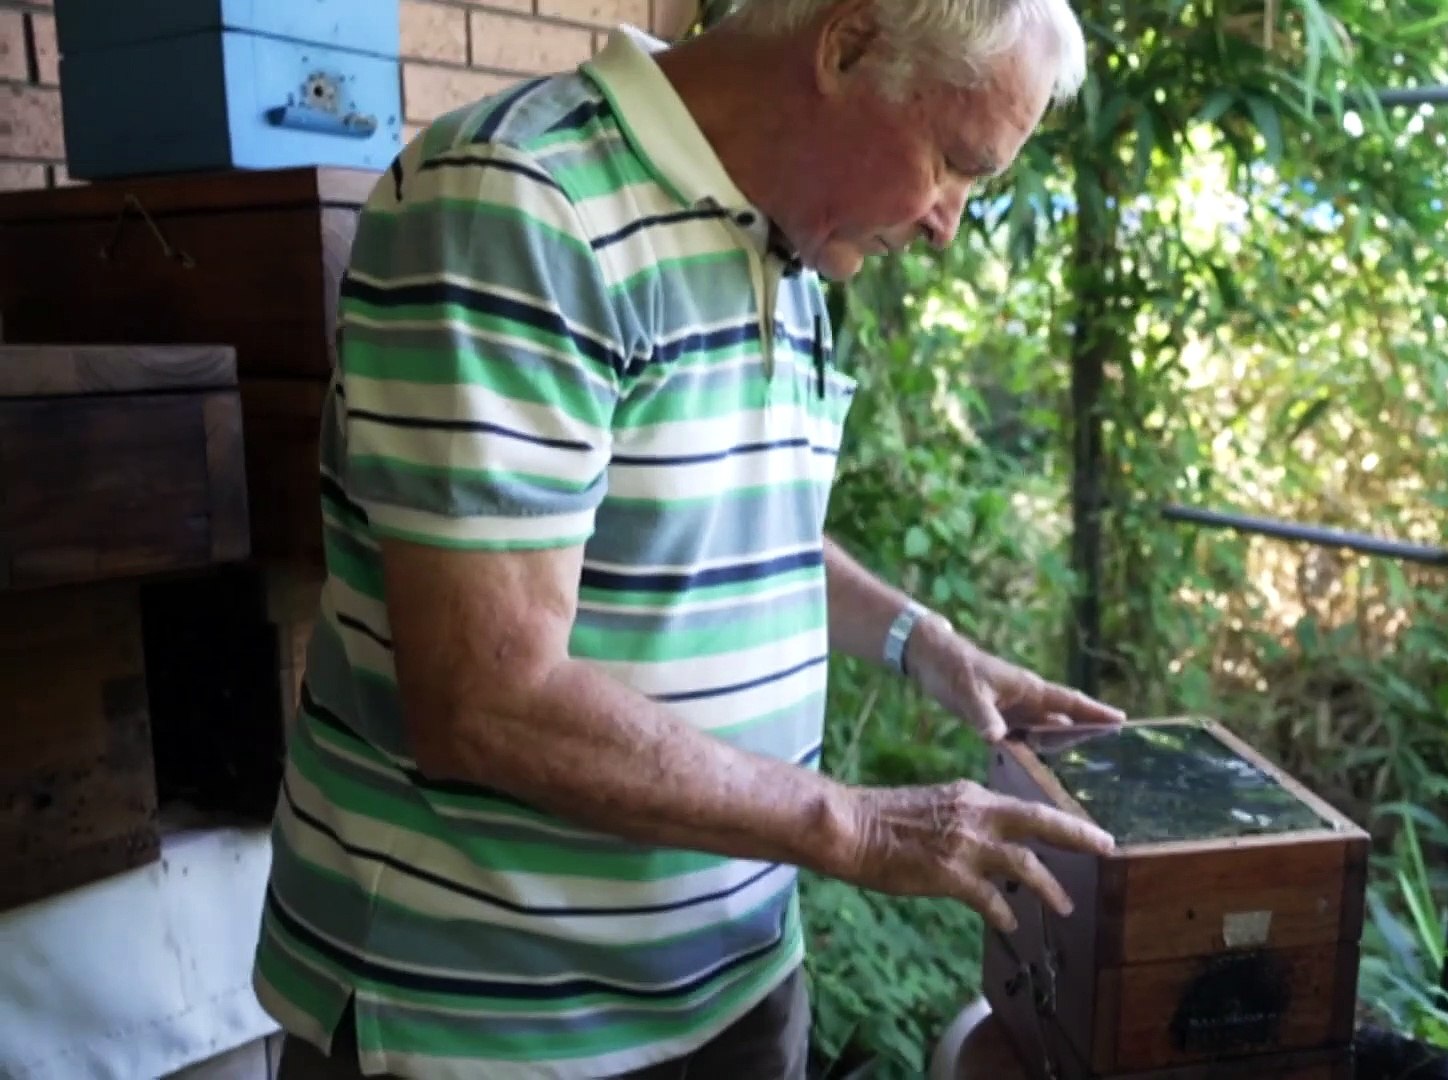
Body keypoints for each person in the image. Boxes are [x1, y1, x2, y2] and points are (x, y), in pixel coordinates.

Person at [256, 1, 1124, 1077]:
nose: (949, 223)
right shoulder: (520, 200)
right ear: (848, 46)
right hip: (490, 1022)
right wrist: (856, 828)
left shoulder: (791, 232)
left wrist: (925, 644)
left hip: (736, 985)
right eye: (953, 162)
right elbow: (487, 697)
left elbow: (735, 536)